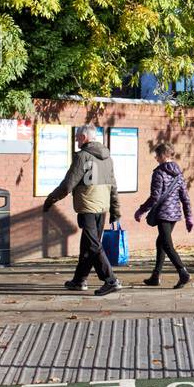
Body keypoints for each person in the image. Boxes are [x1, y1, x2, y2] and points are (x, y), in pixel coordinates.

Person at [43, 126, 122, 296]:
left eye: (78, 137)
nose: (77, 140)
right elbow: (114, 187)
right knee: (88, 245)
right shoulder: (108, 158)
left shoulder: (81, 156)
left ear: (85, 137)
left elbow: (67, 185)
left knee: (93, 245)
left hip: (87, 206)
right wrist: (115, 211)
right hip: (102, 207)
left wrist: (51, 199)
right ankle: (79, 280)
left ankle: (111, 280)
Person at [134, 143, 194, 288]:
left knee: (167, 244)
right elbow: (185, 197)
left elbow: (155, 197)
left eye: (157, 155)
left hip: (162, 214)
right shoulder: (178, 173)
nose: (155, 158)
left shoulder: (158, 173)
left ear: (163, 155)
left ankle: (183, 272)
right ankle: (155, 276)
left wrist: (141, 210)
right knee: (160, 242)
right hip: (174, 215)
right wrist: (188, 217)